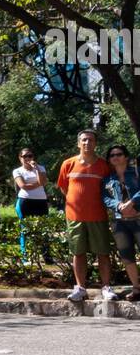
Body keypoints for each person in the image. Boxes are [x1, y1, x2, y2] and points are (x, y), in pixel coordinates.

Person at [56, 130, 114, 303]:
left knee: (103, 253)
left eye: (90, 140)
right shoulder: (68, 164)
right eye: (84, 140)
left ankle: (106, 288)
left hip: (98, 216)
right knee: (78, 253)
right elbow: (63, 188)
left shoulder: (104, 166)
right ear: (78, 143)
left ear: (95, 143)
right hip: (75, 217)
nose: (87, 142)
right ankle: (81, 288)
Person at [103, 145, 140, 301]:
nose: (115, 157)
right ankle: (137, 289)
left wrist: (132, 202)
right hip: (120, 222)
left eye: (119, 154)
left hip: (138, 219)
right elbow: (104, 198)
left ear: (126, 156)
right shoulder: (108, 179)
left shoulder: (136, 172)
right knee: (126, 256)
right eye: (112, 155)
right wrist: (118, 206)